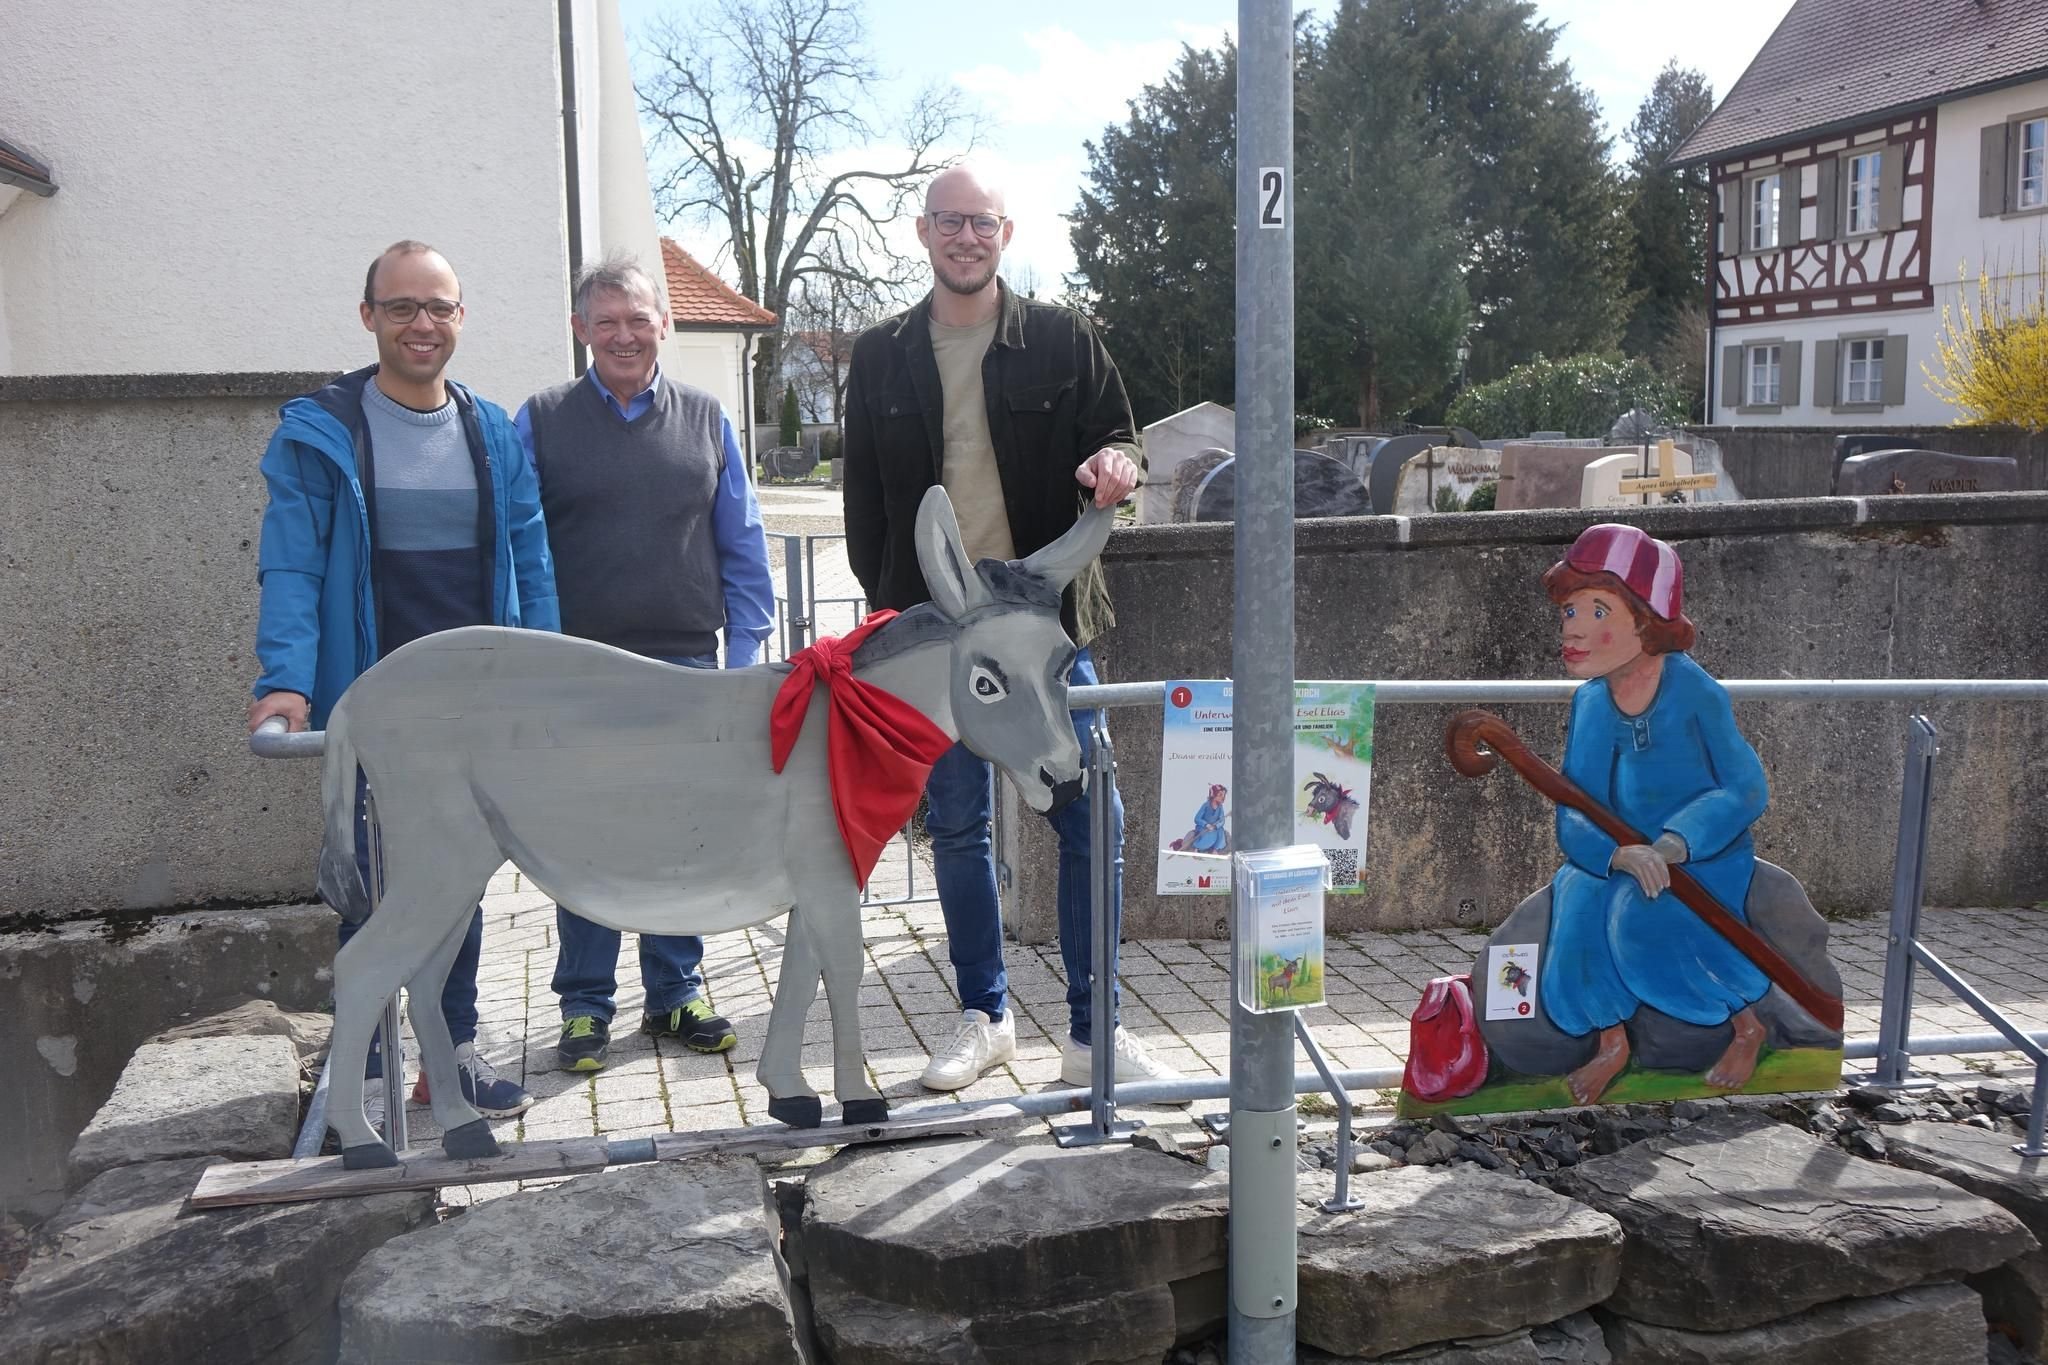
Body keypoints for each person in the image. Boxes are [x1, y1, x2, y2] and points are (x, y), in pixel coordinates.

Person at [842, 165, 1179, 1092]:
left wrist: (1119, 464)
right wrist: (891, 617)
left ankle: (1091, 1031)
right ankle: (982, 1018)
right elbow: (864, 505)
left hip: (1047, 630)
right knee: (956, 825)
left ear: (1006, 231)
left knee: (1090, 818)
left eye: (980, 222)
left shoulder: (1065, 341)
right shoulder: (879, 356)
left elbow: (1126, 441)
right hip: (942, 638)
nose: (965, 237)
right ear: (922, 232)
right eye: (948, 221)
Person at [248, 239, 558, 1121]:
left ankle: (450, 1060)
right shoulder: (322, 433)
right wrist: (285, 683)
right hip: (376, 708)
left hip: (474, 708)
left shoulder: (492, 432)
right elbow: (293, 567)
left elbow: (532, 562)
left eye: (440, 307)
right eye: (402, 307)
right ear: (369, 317)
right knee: (380, 890)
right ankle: (374, 1070)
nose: (422, 323)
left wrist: (548, 671)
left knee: (460, 884)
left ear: (461, 317)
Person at [516, 253, 775, 1072]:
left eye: (639, 319)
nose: (624, 335)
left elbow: (743, 541)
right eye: (607, 321)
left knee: (680, 836)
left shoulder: (708, 418)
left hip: (686, 670)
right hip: (580, 674)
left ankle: (677, 992)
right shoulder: (542, 418)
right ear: (580, 330)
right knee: (586, 837)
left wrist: (748, 656)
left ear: (666, 323)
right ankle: (586, 1006)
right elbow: (524, 548)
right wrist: (538, 656)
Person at [1542, 523, 1772, 1105]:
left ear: (1646, 619)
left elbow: (1745, 789)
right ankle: (1612, 1042)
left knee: (1637, 914)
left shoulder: (1697, 695)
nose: (1572, 627)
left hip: (1702, 856)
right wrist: (1616, 852)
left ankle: (1747, 1026)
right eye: (1569, 610)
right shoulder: (1592, 704)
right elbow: (1576, 806)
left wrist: (1671, 845)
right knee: (1577, 898)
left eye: (1596, 609)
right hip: (1621, 854)